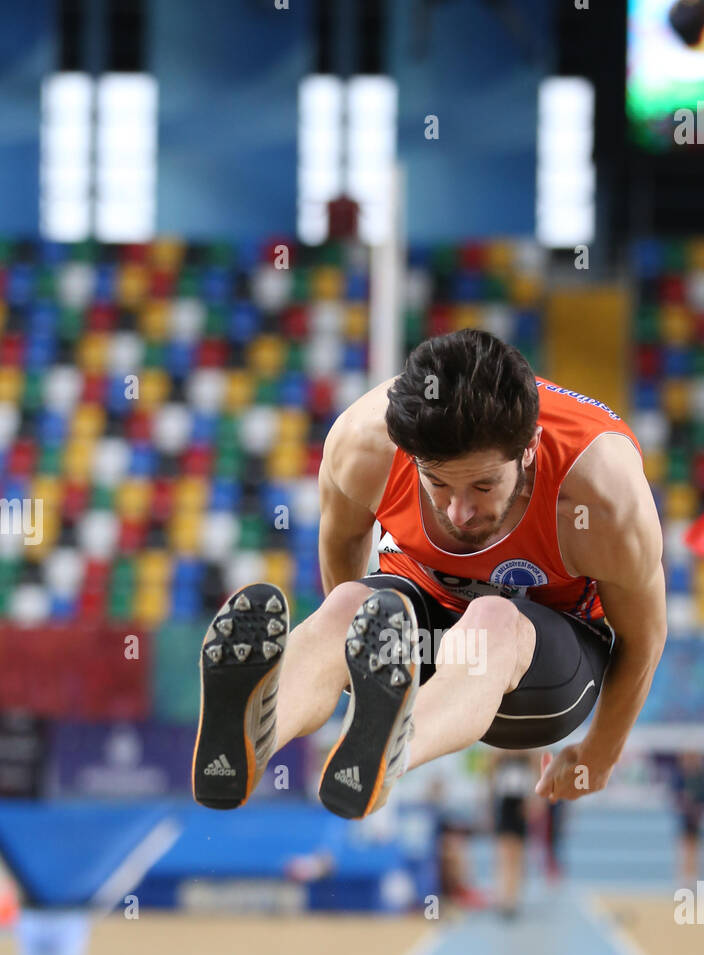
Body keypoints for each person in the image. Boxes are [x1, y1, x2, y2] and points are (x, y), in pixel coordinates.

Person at [192, 330, 667, 821]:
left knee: (491, 618)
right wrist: (356, 668)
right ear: (406, 452)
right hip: (424, 626)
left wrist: (599, 755)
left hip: (543, 669)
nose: (459, 512)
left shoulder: (603, 495)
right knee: (345, 609)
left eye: (483, 485)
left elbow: (644, 637)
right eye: (436, 483)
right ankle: (252, 734)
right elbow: (344, 550)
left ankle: (393, 747)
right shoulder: (364, 445)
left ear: (529, 449)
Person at [489, 750, 537, 919]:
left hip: (521, 802)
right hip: (504, 802)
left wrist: (533, 802)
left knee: (517, 854)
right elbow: (490, 779)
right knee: (503, 853)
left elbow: (536, 774)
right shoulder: (499, 754)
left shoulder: (530, 753)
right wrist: (489, 809)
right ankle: (503, 896)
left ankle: (513, 898)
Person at [671, 751, 704, 882]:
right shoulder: (680, 775)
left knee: (698, 850)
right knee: (684, 849)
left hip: (699, 818)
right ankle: (684, 880)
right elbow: (675, 796)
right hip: (685, 818)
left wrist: (700, 810)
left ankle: (696, 880)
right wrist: (685, 805)